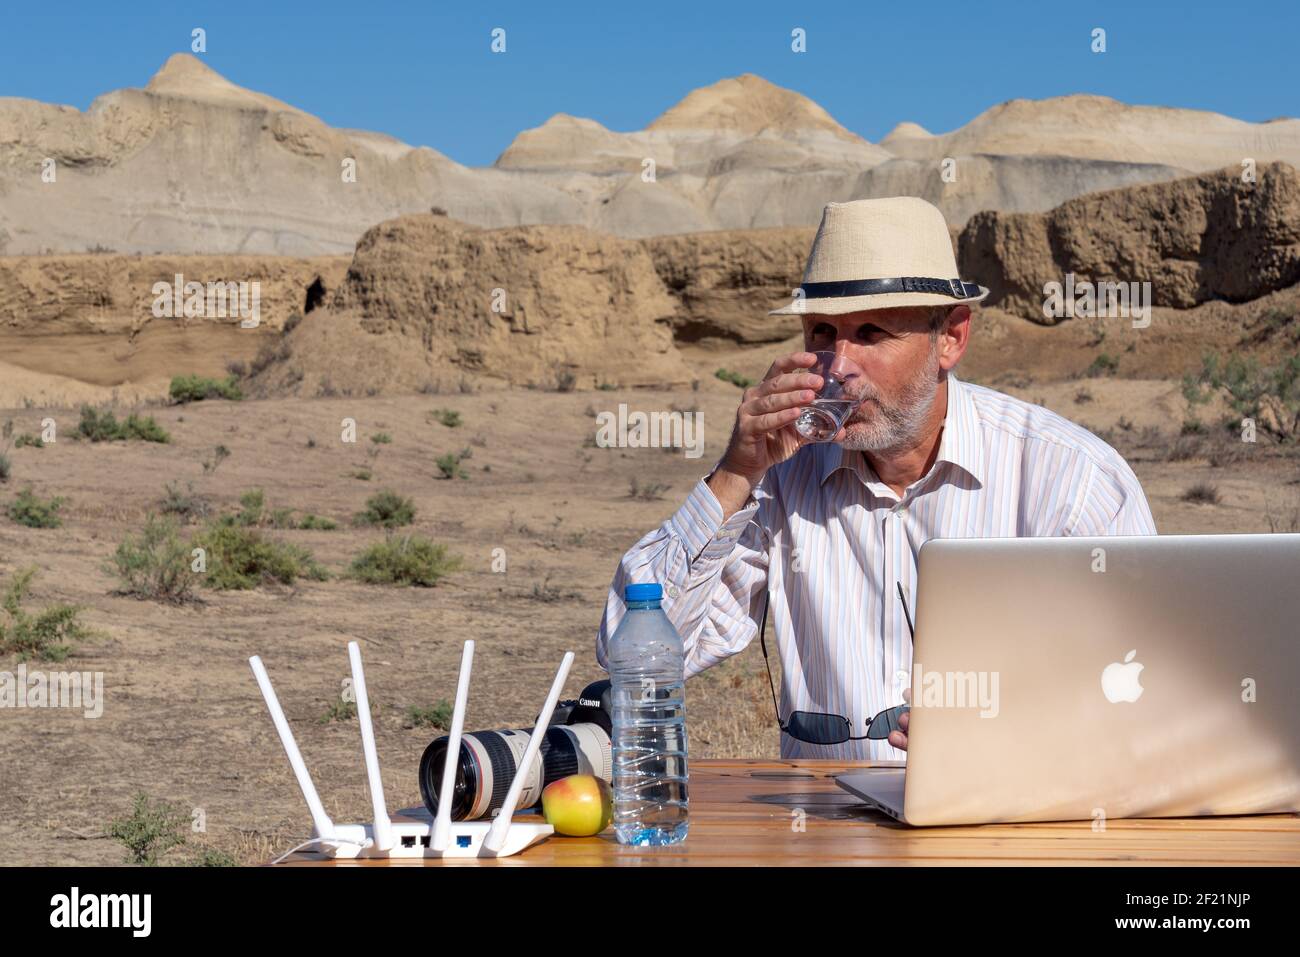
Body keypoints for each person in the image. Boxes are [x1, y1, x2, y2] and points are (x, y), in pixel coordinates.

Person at [596, 196, 1157, 760]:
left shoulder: (1072, 479)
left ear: (951, 339)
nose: (837, 365)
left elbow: (1144, 688)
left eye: (870, 332)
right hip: (821, 833)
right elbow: (633, 654)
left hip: (1003, 825)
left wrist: (1016, 730)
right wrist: (735, 475)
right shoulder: (779, 477)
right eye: (821, 332)